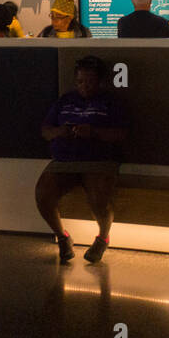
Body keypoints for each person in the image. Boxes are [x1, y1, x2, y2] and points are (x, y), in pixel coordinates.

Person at [36, 55, 128, 264]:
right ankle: (62, 237)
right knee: (43, 194)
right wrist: (61, 132)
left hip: (99, 160)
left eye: (89, 82)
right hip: (64, 160)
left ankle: (103, 237)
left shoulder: (111, 102)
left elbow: (121, 134)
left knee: (99, 201)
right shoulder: (65, 100)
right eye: (80, 82)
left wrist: (93, 132)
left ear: (100, 82)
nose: (84, 86)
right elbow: (46, 130)